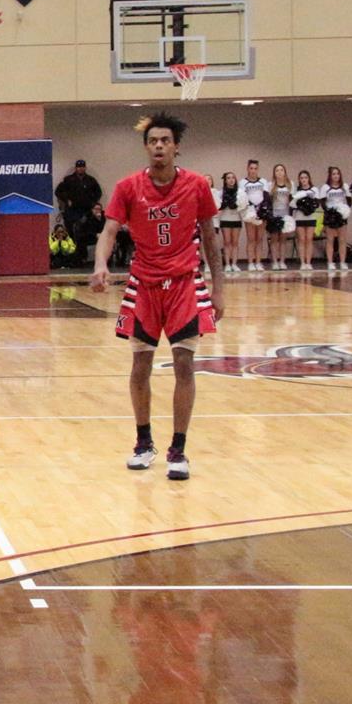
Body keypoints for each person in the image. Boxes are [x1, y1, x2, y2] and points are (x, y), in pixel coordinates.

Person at [89, 112, 224, 482]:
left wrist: (220, 287)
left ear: (176, 147)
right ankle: (143, 442)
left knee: (184, 365)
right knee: (140, 367)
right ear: (146, 148)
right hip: (144, 285)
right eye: (153, 142)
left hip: (184, 284)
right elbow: (110, 229)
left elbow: (211, 238)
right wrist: (101, 263)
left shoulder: (196, 185)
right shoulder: (128, 186)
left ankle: (179, 449)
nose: (159, 146)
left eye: (165, 141)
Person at [55, 159, 102, 238]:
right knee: (71, 233)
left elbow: (98, 193)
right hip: (72, 211)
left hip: (86, 211)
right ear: (75, 168)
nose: (81, 168)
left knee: (86, 233)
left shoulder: (91, 180)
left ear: (85, 168)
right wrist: (66, 200)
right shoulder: (68, 179)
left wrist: (92, 203)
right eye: (79, 167)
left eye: (82, 167)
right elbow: (58, 192)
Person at [240, 159, 269, 272]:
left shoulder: (263, 181)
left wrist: (261, 208)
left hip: (261, 212)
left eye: (255, 168)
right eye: (251, 168)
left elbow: (266, 196)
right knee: (251, 239)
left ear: (258, 169)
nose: (253, 171)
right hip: (249, 213)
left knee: (259, 238)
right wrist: (251, 207)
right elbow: (242, 197)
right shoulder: (243, 182)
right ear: (247, 169)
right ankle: (250, 263)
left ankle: (258, 262)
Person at [213, 171, 243, 274]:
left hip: (236, 219)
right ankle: (227, 264)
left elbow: (243, 205)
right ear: (225, 180)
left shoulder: (240, 192)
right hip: (225, 219)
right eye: (229, 178)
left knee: (235, 242)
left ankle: (234, 264)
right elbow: (217, 206)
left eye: (233, 178)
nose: (231, 180)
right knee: (227, 242)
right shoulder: (221, 192)